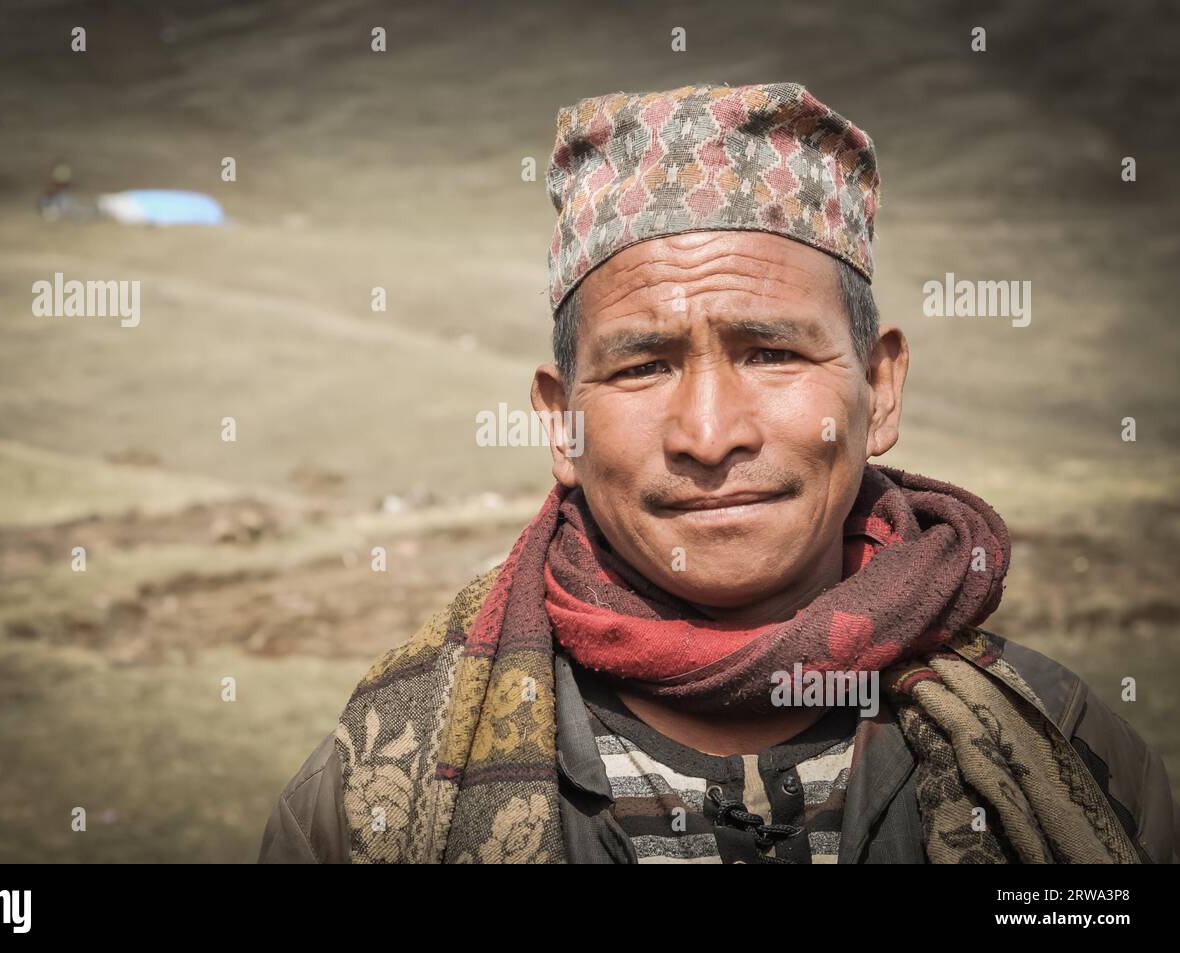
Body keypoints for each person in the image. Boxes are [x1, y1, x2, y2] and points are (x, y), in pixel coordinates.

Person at [259, 82, 1176, 864]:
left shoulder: (1069, 754)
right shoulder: (379, 783)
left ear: (880, 389)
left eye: (773, 352)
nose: (708, 433)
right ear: (562, 422)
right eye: (644, 365)